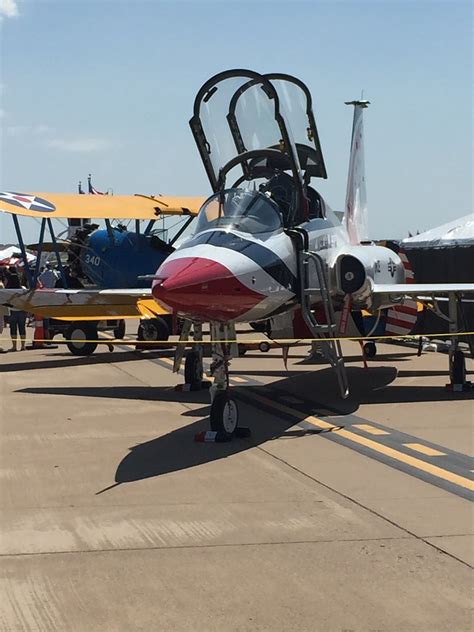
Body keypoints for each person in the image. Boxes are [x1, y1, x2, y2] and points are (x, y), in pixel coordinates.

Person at [5, 268, 27, 351]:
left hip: (12, 310)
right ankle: (23, 346)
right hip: (22, 310)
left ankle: (14, 346)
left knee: (13, 328)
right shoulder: (23, 288)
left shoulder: (8, 290)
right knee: (22, 328)